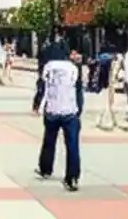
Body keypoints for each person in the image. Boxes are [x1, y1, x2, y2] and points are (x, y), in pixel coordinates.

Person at [34, 45, 85, 192]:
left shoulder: (48, 67)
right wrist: (79, 110)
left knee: (49, 140)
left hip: (52, 110)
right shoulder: (74, 68)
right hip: (70, 110)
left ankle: (45, 168)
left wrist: (37, 104)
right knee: (72, 145)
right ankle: (72, 177)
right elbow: (79, 90)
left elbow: (42, 88)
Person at [96, 51, 120, 130]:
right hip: (110, 85)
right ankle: (101, 120)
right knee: (109, 105)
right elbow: (114, 77)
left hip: (106, 85)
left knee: (108, 104)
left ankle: (113, 121)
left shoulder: (105, 63)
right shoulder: (113, 64)